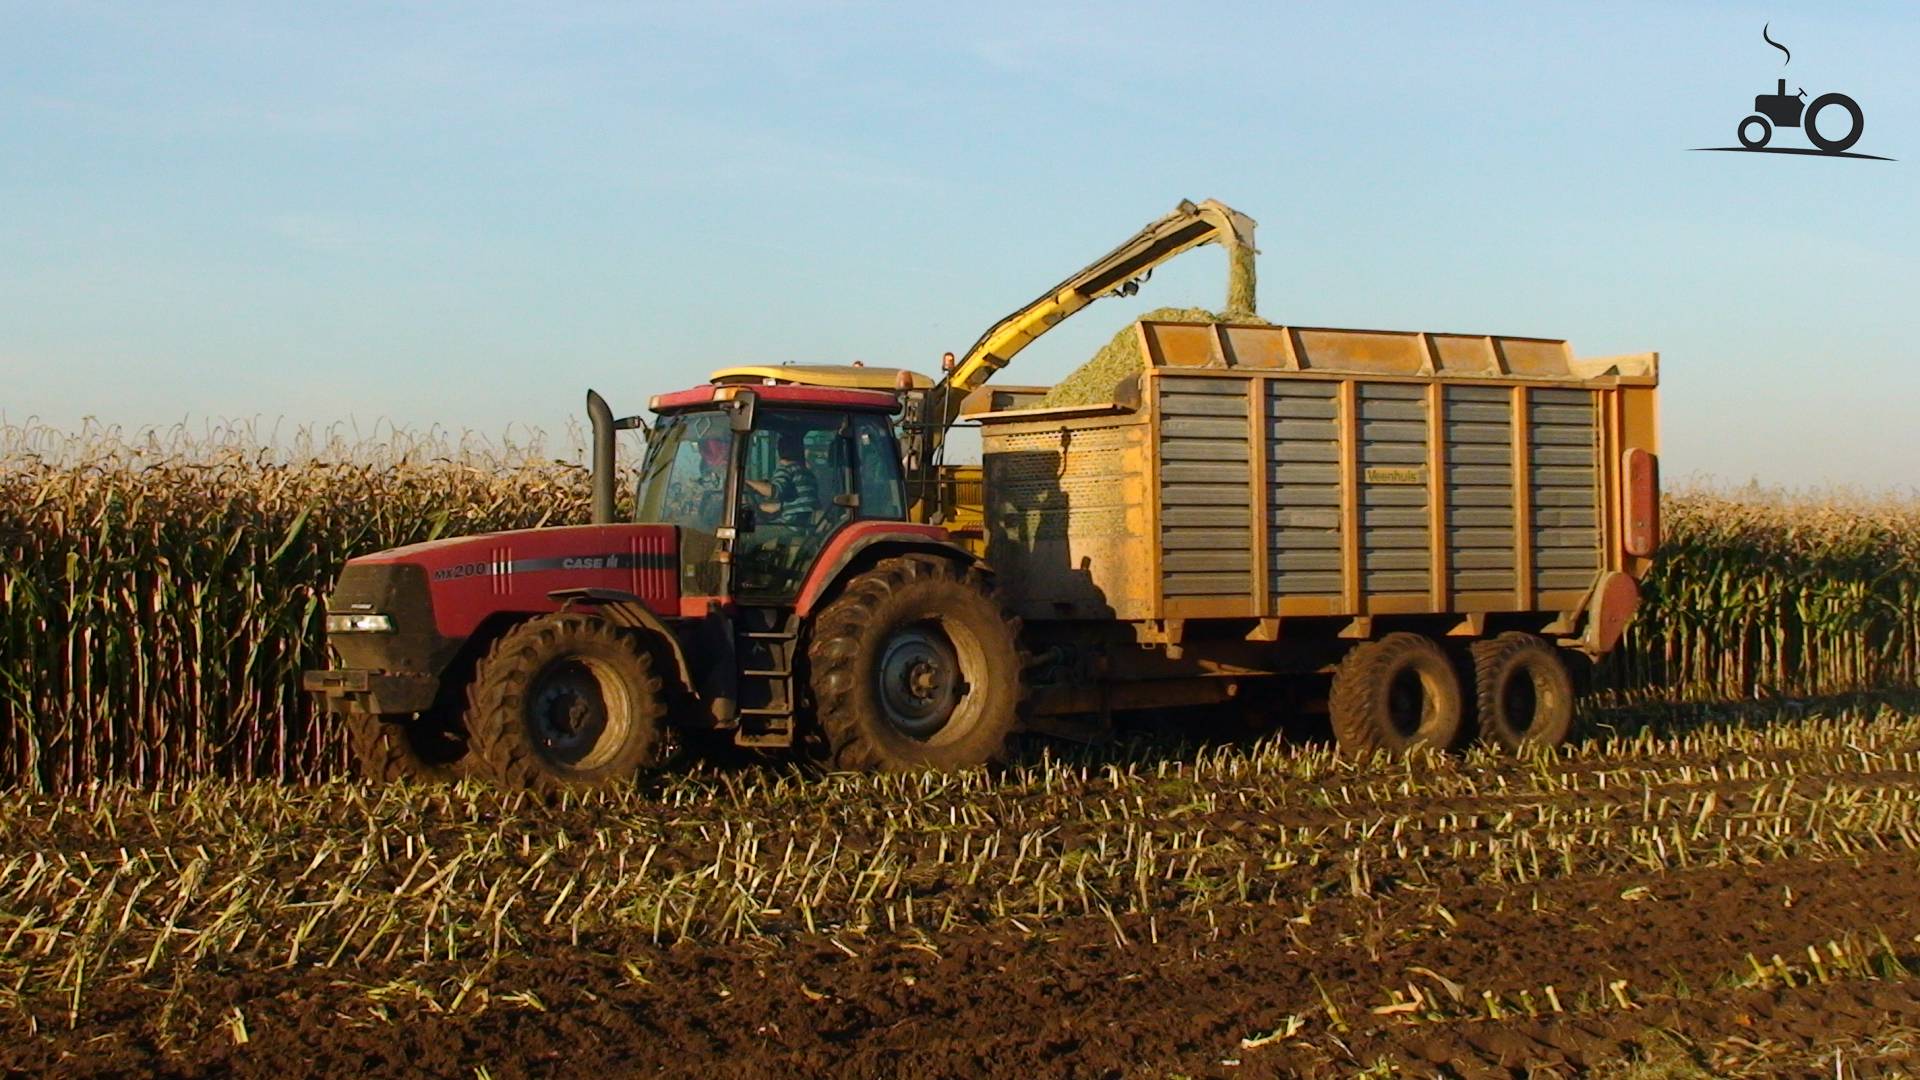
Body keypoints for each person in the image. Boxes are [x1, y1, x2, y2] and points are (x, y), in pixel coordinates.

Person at [745, 431, 819, 526]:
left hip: (791, 524)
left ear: (779, 451)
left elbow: (775, 491)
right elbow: (794, 501)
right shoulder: (806, 473)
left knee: (752, 534)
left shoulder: (786, 469)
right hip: (807, 522)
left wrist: (747, 482)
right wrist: (759, 507)